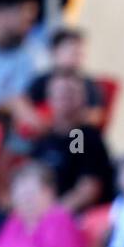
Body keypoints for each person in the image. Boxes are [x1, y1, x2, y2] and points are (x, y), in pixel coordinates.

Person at [27, 70, 116, 213]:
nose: (65, 98)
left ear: (83, 99)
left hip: (74, 219)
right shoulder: (44, 138)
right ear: (49, 98)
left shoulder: (79, 136)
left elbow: (87, 190)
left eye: (70, 93)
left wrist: (53, 215)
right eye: (60, 93)